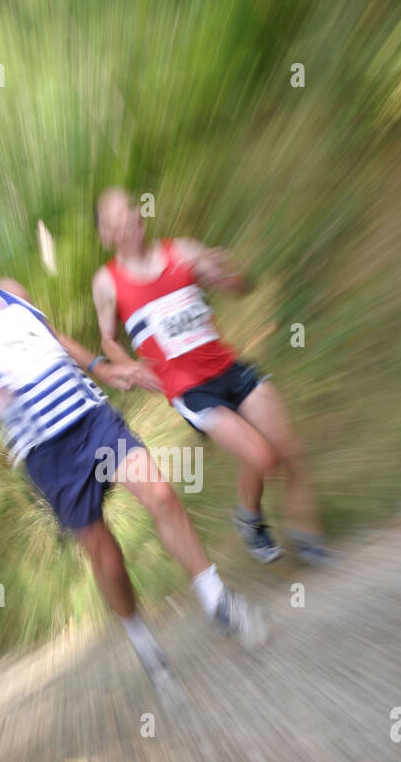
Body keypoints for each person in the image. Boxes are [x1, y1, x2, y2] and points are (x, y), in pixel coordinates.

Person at [0, 229, 267, 696]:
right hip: (46, 452)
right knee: (106, 554)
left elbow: (56, 337)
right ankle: (147, 650)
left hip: (92, 418)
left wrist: (104, 367)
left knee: (160, 494)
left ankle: (216, 600)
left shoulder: (11, 291)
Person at [91, 188, 329, 566]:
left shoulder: (182, 250)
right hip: (191, 390)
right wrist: (129, 366)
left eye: (131, 209)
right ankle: (249, 517)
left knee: (290, 450)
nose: (129, 220)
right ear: (105, 233)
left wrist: (228, 275)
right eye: (115, 218)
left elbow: (241, 285)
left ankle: (308, 539)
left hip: (229, 367)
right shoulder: (107, 282)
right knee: (262, 457)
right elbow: (108, 338)